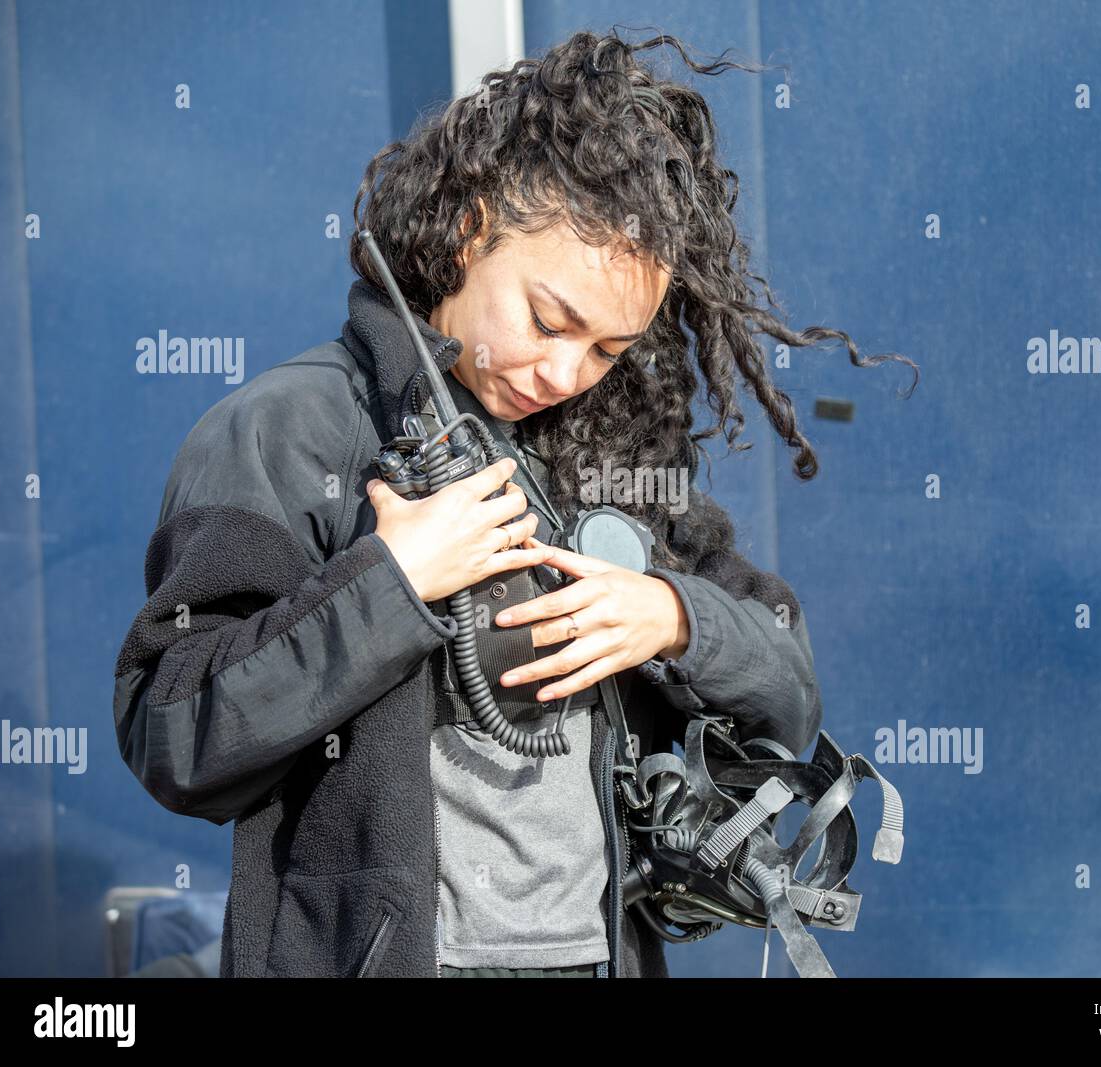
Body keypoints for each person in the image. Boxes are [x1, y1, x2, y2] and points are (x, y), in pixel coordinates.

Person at [112, 29, 917, 978]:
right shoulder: (285, 434)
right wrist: (395, 583)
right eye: (549, 320)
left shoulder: (611, 452)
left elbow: (790, 688)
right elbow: (172, 731)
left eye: (608, 349)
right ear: (470, 230)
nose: (566, 373)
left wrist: (673, 616)